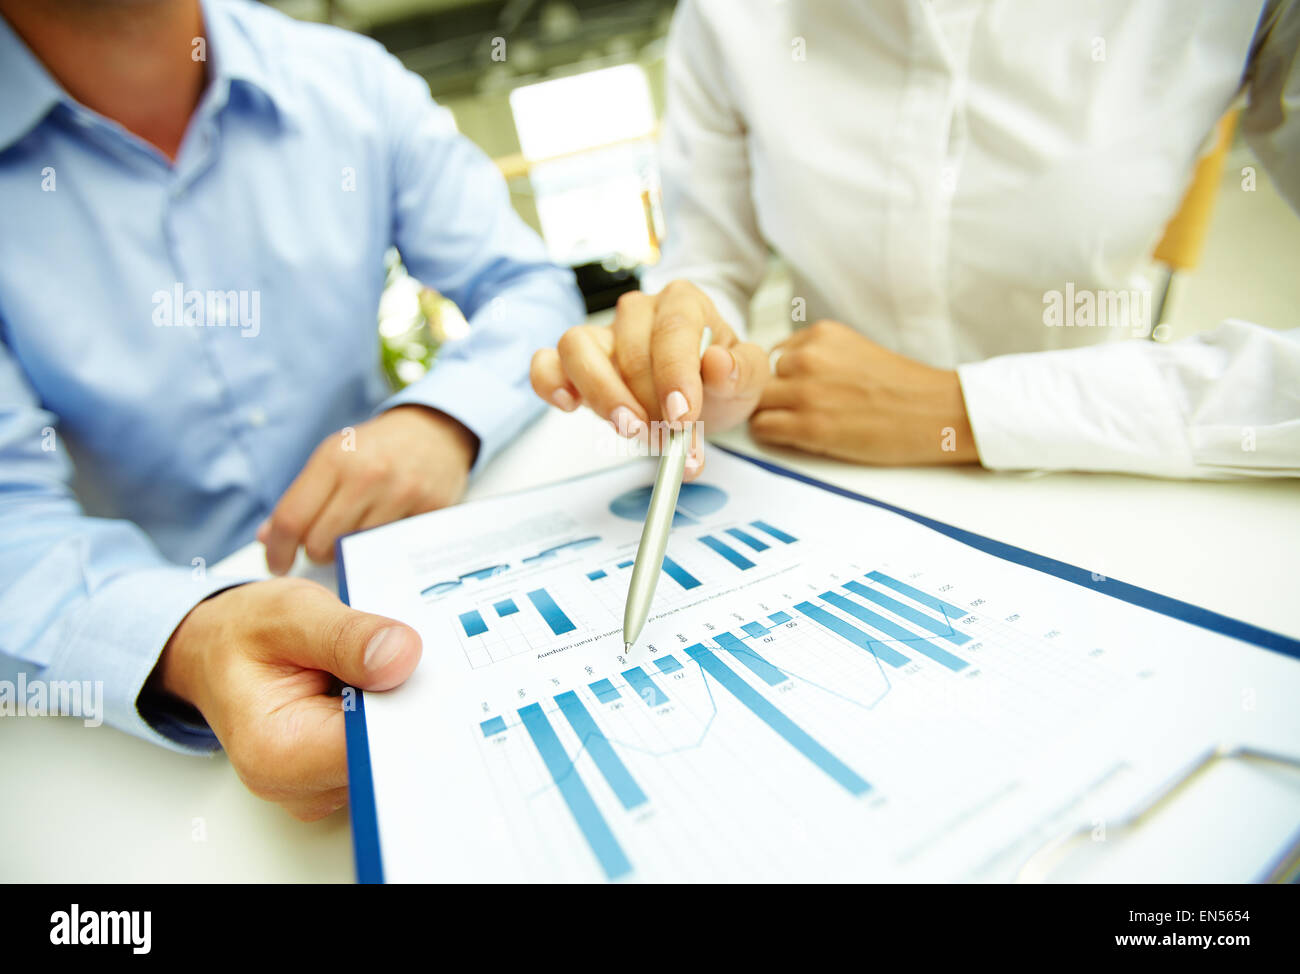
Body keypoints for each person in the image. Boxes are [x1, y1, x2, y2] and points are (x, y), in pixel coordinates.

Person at [0, 0, 583, 819]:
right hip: (149, 733)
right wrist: (187, 637)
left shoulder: (351, 81)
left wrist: (441, 419)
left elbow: (528, 286)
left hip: (412, 581)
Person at [531, 0, 1300, 480]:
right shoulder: (725, 16)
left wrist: (967, 410)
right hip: (820, 468)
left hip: (1102, 478)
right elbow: (709, 266)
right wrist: (702, 353)